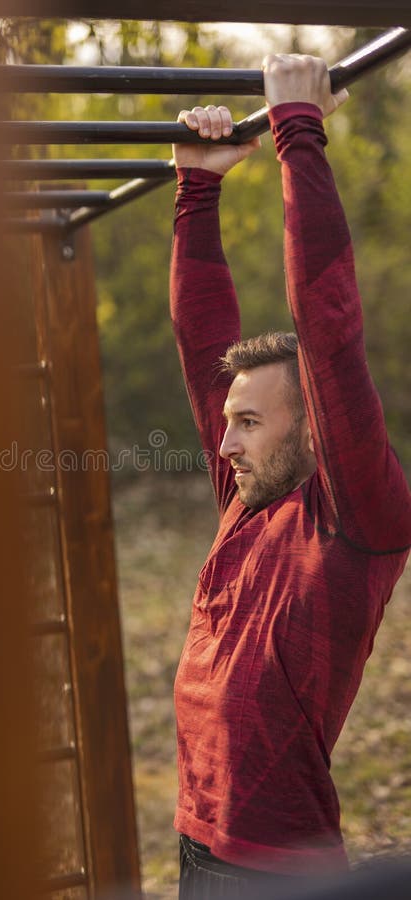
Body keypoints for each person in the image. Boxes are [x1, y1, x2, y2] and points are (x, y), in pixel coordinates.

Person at [170, 54, 411, 898]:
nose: (224, 441)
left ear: (315, 429)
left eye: (248, 422)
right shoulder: (247, 495)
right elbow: (203, 340)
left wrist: (297, 134)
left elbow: (329, 322)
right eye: (227, 420)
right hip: (195, 845)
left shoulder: (356, 520)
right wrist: (197, 191)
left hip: (274, 871)